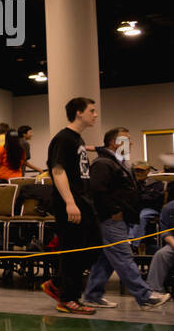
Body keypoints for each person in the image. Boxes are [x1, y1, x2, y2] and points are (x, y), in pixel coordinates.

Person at [83, 127, 169, 309]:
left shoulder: (117, 161)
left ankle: (92, 295)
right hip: (111, 219)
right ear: (115, 143)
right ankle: (145, 296)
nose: (131, 143)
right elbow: (97, 192)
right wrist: (114, 211)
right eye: (127, 140)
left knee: (106, 258)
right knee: (123, 256)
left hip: (122, 218)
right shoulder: (103, 163)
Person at [41, 97, 101, 314]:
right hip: (71, 203)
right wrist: (69, 202)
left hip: (84, 202)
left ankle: (58, 284)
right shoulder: (63, 139)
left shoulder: (78, 140)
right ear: (79, 112)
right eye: (91, 111)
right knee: (73, 250)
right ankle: (68, 298)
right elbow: (57, 170)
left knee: (94, 246)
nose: (95, 114)